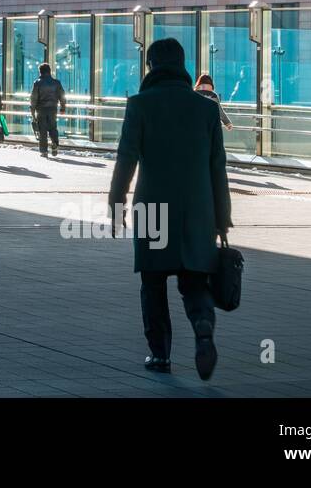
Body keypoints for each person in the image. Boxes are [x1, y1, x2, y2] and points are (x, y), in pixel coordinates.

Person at [109, 37, 233, 381]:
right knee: (194, 279)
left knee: (153, 283)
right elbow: (217, 168)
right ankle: (203, 324)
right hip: (198, 209)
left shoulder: (139, 105)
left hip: (152, 208)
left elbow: (126, 159)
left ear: (150, 66)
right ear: (181, 66)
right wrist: (222, 218)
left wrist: (116, 202)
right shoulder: (206, 109)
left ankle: (160, 354)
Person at [30, 63, 67, 157]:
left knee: (42, 130)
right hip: (53, 108)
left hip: (41, 109)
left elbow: (33, 98)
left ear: (40, 72)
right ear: (49, 71)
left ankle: (44, 151)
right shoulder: (56, 82)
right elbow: (62, 96)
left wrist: (32, 111)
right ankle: (54, 143)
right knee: (53, 127)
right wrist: (63, 107)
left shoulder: (37, 82)